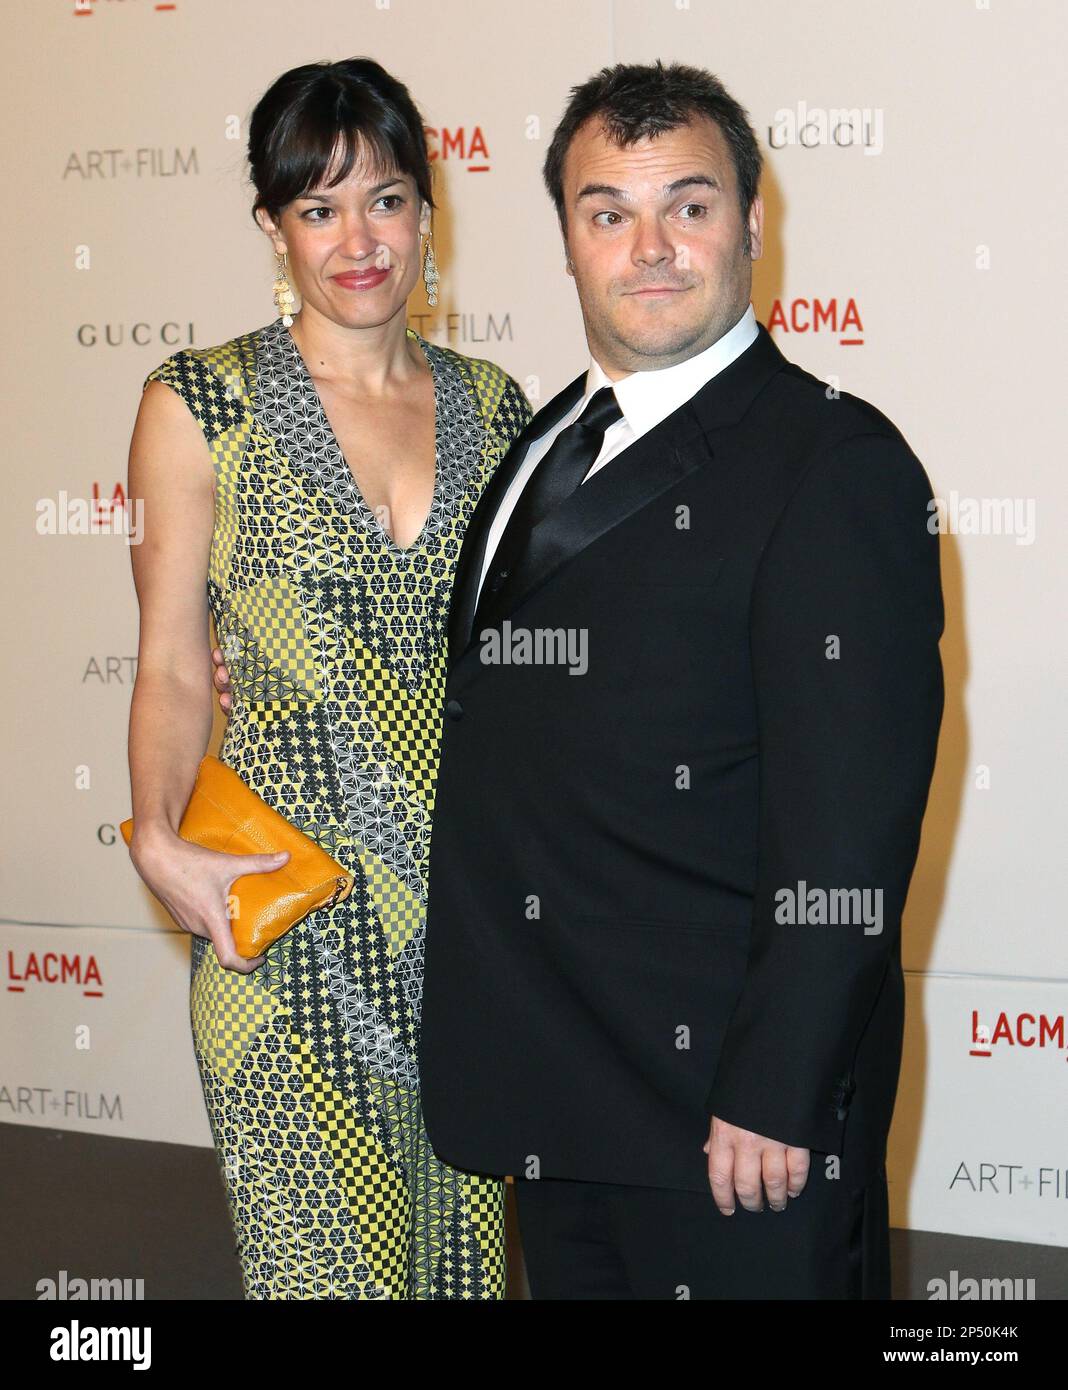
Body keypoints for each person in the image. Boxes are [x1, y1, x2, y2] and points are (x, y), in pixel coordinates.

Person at [414, 61, 943, 1299]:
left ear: (754, 224)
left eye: (689, 207)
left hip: (730, 1130)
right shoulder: (543, 437)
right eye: (609, 213)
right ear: (566, 242)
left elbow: (851, 826)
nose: (650, 248)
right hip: (557, 1100)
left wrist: (776, 1084)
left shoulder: (836, 463)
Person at [126, 57, 530, 1300]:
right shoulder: (199, 404)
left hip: (460, 931)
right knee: (327, 1276)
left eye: (389, 199)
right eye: (319, 207)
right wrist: (154, 834)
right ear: (272, 225)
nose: (359, 239)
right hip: (288, 913)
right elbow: (172, 664)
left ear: (427, 211)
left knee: (457, 1274)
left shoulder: (498, 409)